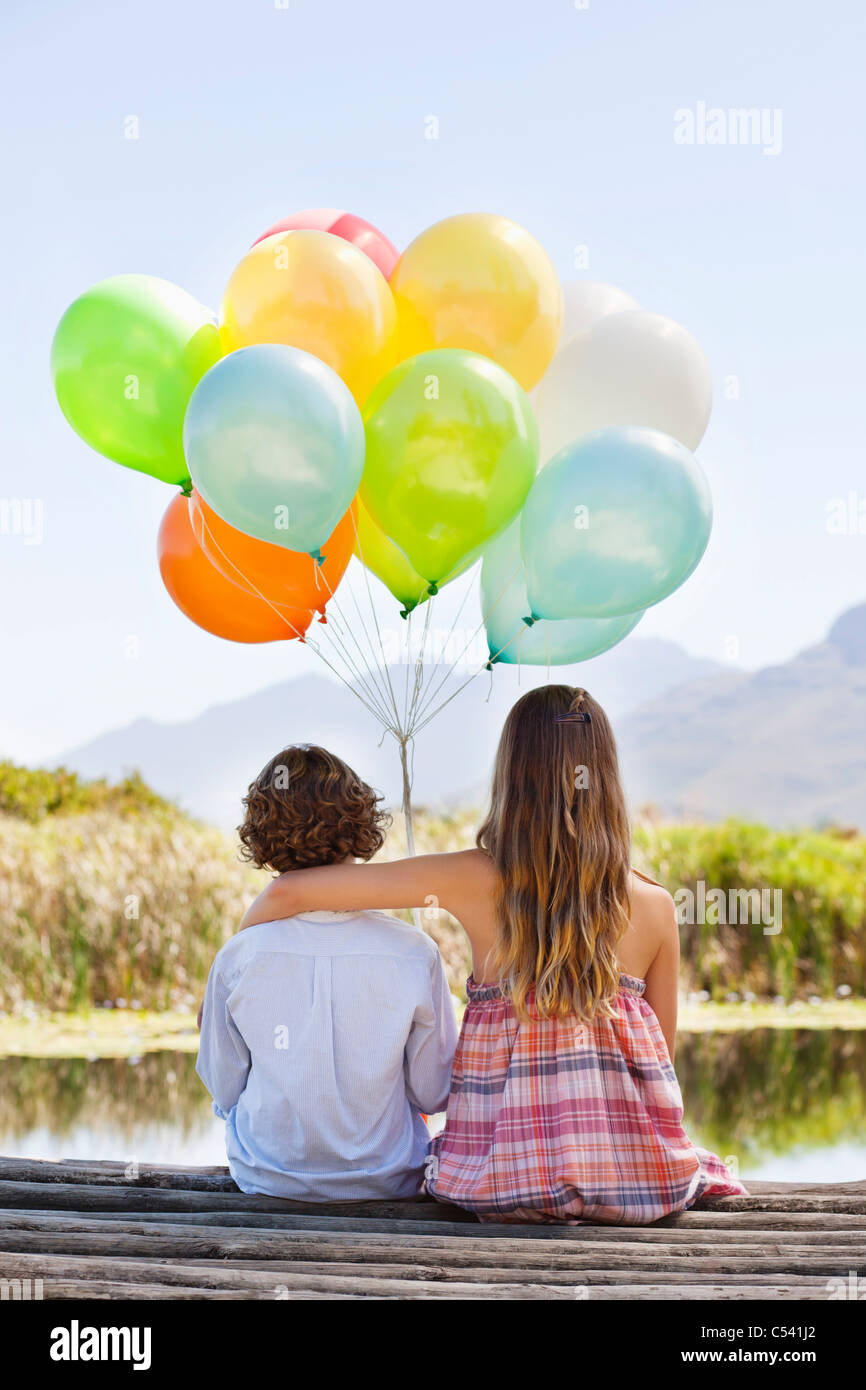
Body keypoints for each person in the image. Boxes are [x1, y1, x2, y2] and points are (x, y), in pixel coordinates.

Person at [237, 687, 747, 1225]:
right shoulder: (655, 905)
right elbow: (659, 1065)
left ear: (511, 774)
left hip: (501, 1181)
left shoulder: (471, 879)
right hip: (634, 1183)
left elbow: (288, 892)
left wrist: (233, 963)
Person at [196, 744, 457, 1201]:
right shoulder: (415, 952)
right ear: (361, 824)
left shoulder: (239, 956)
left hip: (267, 1178)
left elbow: (224, 1087)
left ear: (263, 836)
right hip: (389, 1181)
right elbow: (434, 1093)